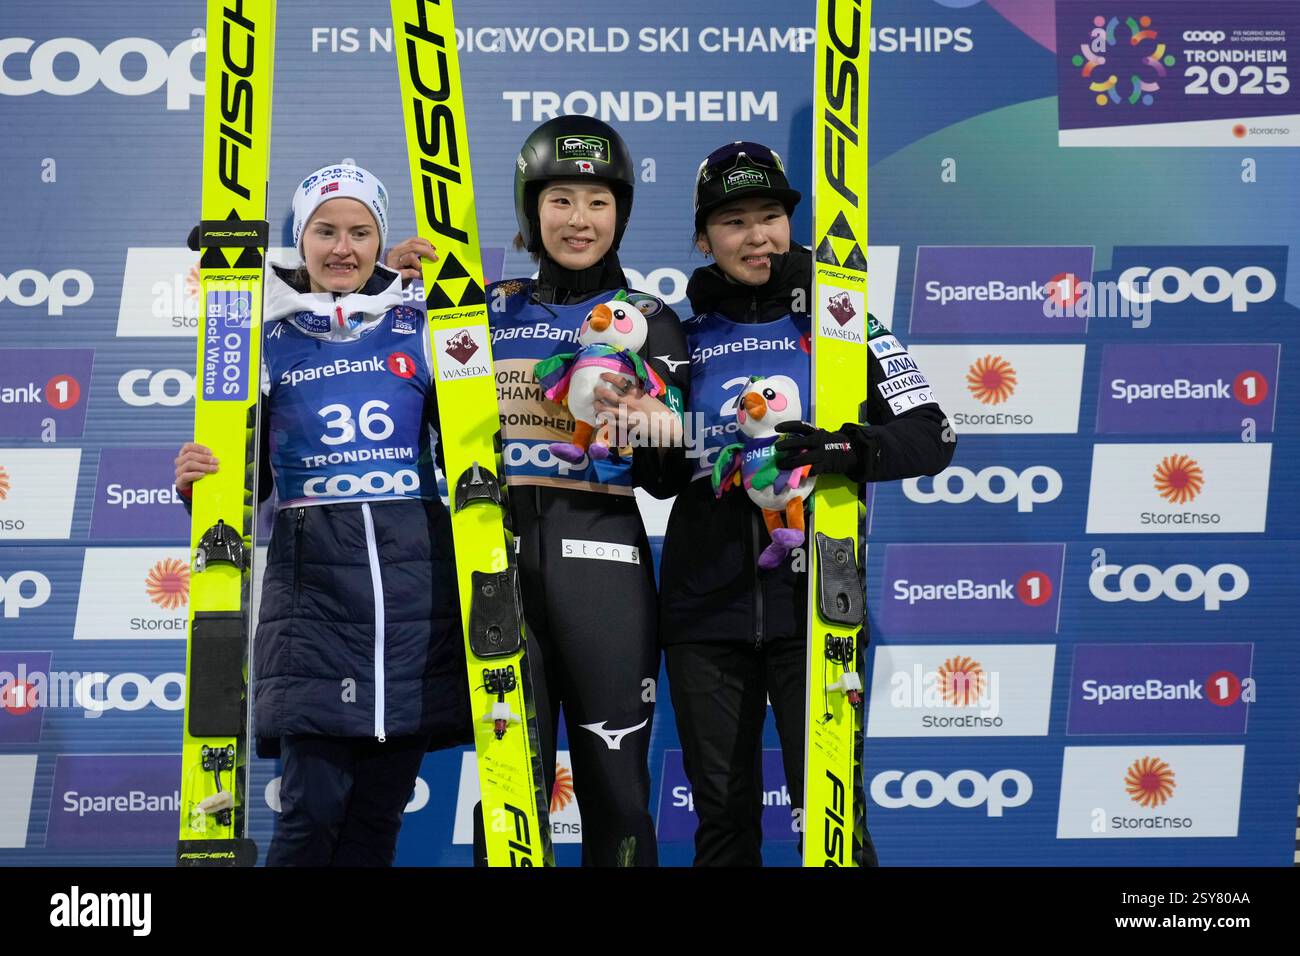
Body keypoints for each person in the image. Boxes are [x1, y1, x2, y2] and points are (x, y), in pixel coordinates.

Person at [387, 116, 689, 866]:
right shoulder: (484, 305)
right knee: (510, 792)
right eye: (560, 200)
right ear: (532, 211)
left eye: (597, 201)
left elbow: (672, 476)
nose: (578, 220)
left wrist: (657, 427)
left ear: (620, 212)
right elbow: (401, 408)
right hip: (496, 563)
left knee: (617, 793)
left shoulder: (648, 318)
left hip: (604, 565)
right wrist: (386, 296)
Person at [650, 141, 957, 866]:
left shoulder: (844, 325)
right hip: (703, 613)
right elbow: (660, 478)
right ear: (703, 238)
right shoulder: (682, 340)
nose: (756, 236)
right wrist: (639, 422)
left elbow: (933, 434)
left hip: (818, 607)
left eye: (770, 217)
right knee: (722, 819)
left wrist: (841, 449)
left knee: (830, 815)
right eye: (733, 222)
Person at [174, 164, 469, 866]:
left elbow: (465, 429)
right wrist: (204, 486)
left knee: (376, 822)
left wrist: (424, 288)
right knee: (310, 816)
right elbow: (251, 482)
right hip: (313, 596)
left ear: (380, 239)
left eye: (361, 232)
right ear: (299, 241)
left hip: (412, 593)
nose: (344, 248)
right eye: (326, 231)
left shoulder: (416, 323)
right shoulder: (265, 337)